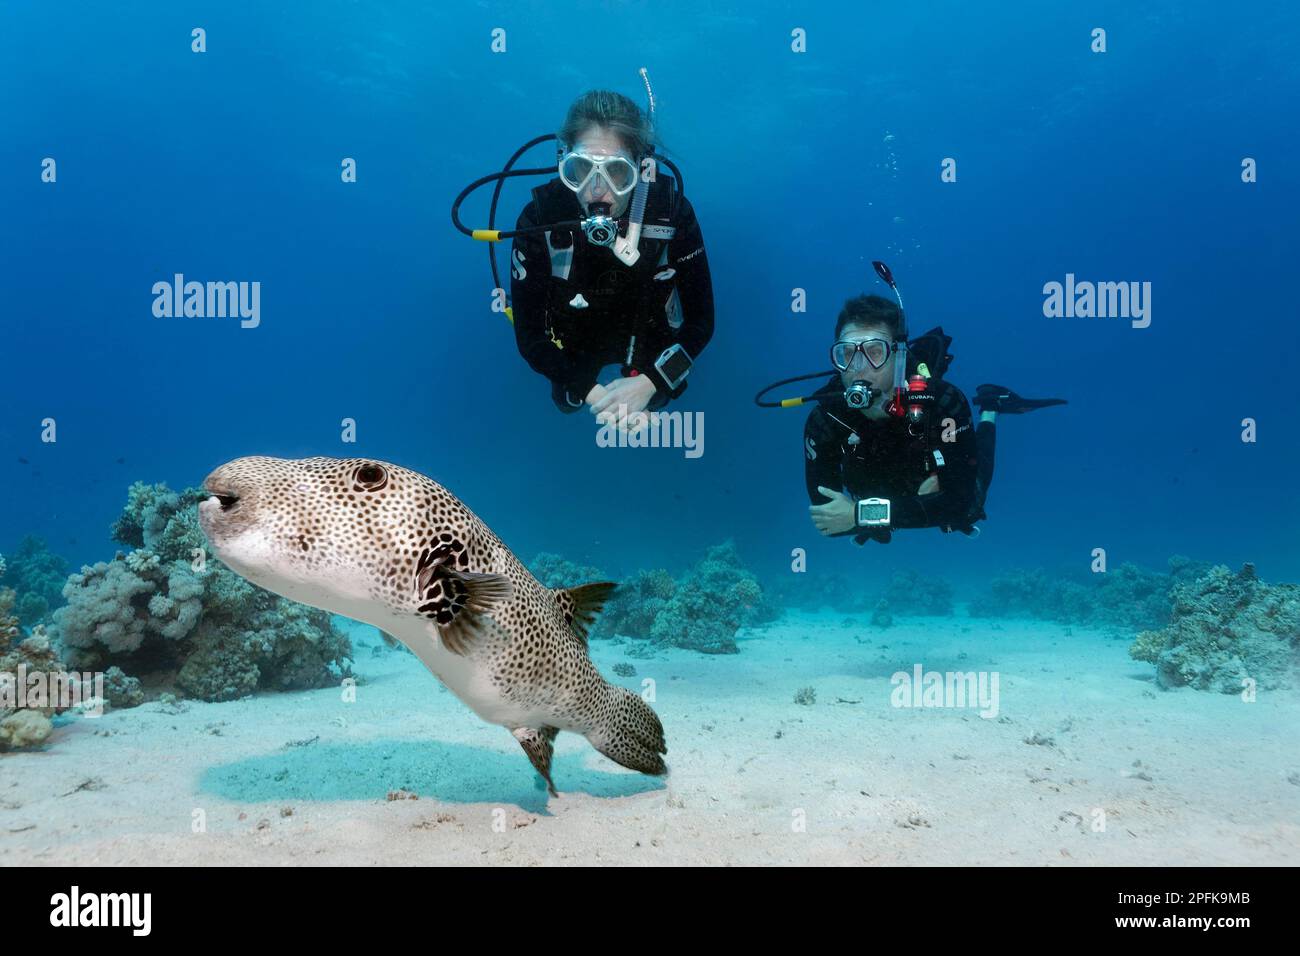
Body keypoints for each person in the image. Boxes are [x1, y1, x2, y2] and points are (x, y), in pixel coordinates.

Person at [509, 90, 714, 423]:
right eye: (581, 169)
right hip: (577, 334)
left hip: (646, 329)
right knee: (567, 400)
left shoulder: (671, 214)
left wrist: (651, 382)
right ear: (565, 162)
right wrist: (597, 396)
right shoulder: (538, 219)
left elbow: (702, 323)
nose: (597, 189)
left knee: (659, 398)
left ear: (641, 167)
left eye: (617, 172)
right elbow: (530, 338)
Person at [804, 294, 1063, 544]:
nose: (858, 366)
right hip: (889, 486)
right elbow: (829, 522)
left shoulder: (943, 403)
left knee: (976, 500)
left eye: (874, 351)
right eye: (846, 353)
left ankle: (990, 407)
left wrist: (859, 515)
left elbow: (959, 504)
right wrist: (910, 509)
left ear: (899, 354)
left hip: (924, 470)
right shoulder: (824, 420)